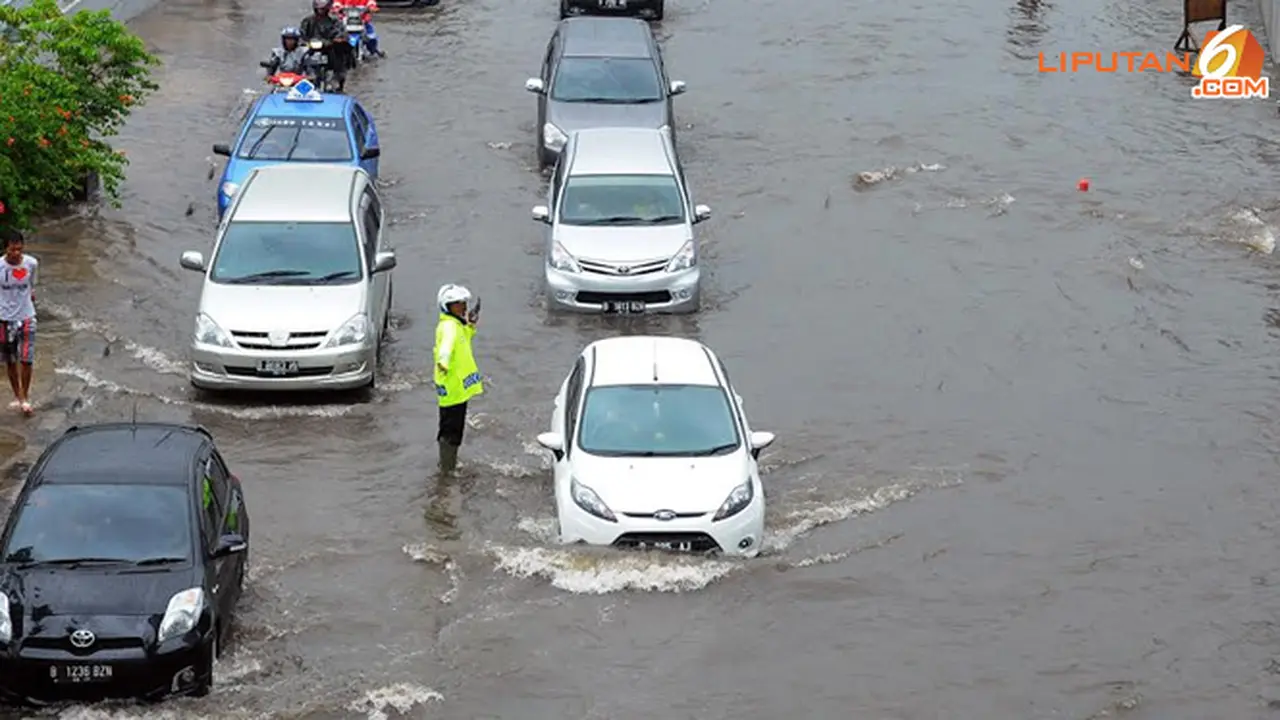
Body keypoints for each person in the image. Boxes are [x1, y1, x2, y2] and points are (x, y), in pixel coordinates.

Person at [433, 284, 483, 473]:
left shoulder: (456, 325)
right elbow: (445, 348)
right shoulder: (448, 327)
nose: (463, 307)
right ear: (448, 306)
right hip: (452, 389)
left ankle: (448, 465)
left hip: (457, 389)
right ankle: (447, 470)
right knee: (451, 431)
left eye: (464, 303)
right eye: (459, 304)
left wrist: (470, 324)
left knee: (453, 428)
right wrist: (442, 362)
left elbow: (463, 339)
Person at [0, 229, 37, 417]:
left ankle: (25, 397)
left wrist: (30, 297)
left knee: (26, 358)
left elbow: (32, 286)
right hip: (5, 318)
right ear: (5, 248)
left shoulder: (31, 264)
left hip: (27, 316)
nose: (16, 254)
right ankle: (18, 395)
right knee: (11, 360)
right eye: (12, 250)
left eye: (19, 250)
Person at [299, 0, 348, 92]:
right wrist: (303, 42)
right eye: (319, 9)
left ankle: (337, 78)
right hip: (311, 50)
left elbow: (340, 33)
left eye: (323, 9)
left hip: (329, 49)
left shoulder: (334, 21)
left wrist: (336, 40)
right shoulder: (308, 21)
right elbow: (301, 34)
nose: (320, 11)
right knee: (299, 58)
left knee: (339, 56)